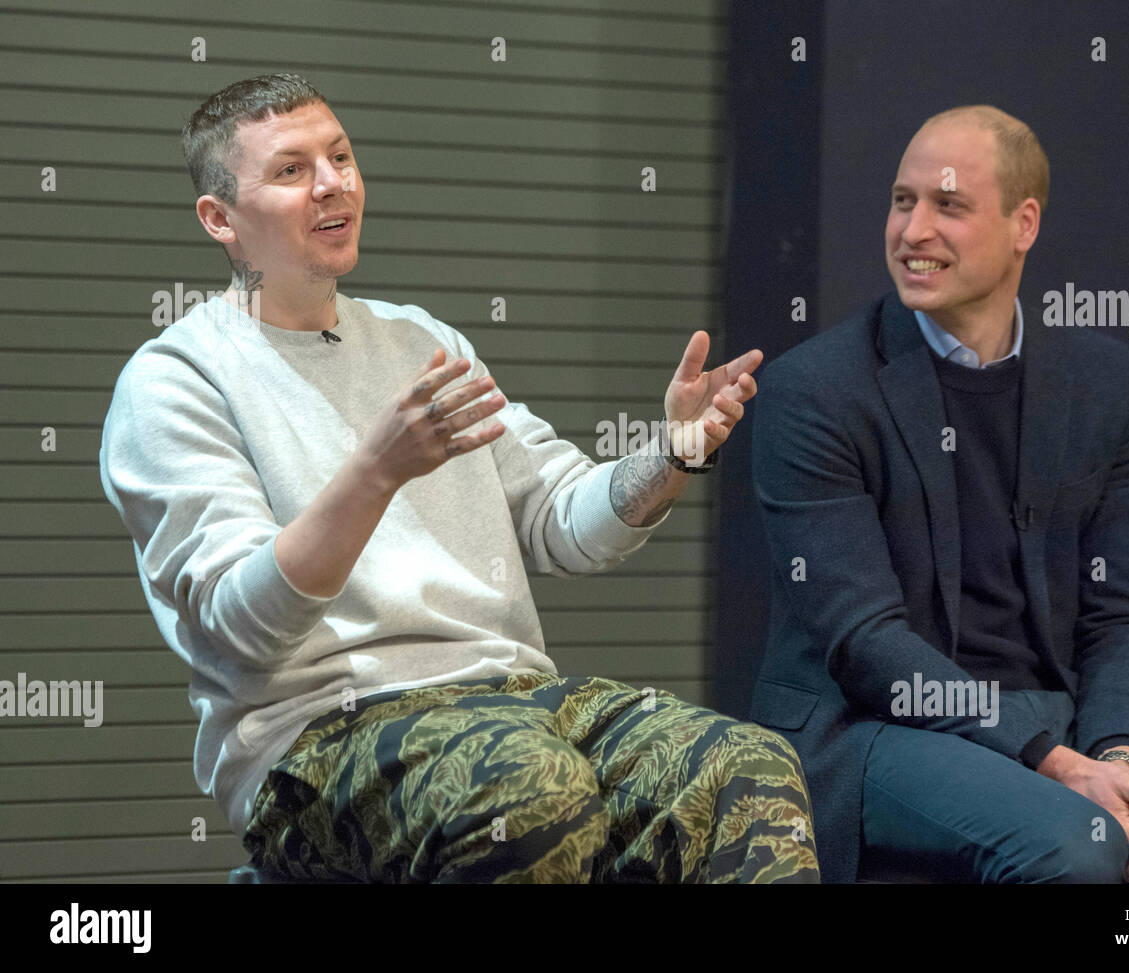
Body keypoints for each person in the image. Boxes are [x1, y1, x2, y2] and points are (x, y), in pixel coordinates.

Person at [98, 73, 819, 883]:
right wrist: (376, 473)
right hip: (319, 733)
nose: (334, 183)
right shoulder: (175, 379)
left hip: (514, 698)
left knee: (743, 769)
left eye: (340, 156)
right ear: (220, 219)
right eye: (293, 170)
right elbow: (240, 628)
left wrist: (674, 450)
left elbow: (562, 521)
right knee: (530, 790)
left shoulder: (423, 341)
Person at [747, 104, 1129, 884]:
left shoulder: (1103, 384)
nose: (912, 231)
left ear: (1024, 224)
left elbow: (1127, 612)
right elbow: (866, 642)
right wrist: (1056, 763)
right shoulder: (815, 389)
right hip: (871, 727)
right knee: (1081, 846)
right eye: (903, 201)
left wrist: (1115, 755)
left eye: (948, 205)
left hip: (1062, 718)